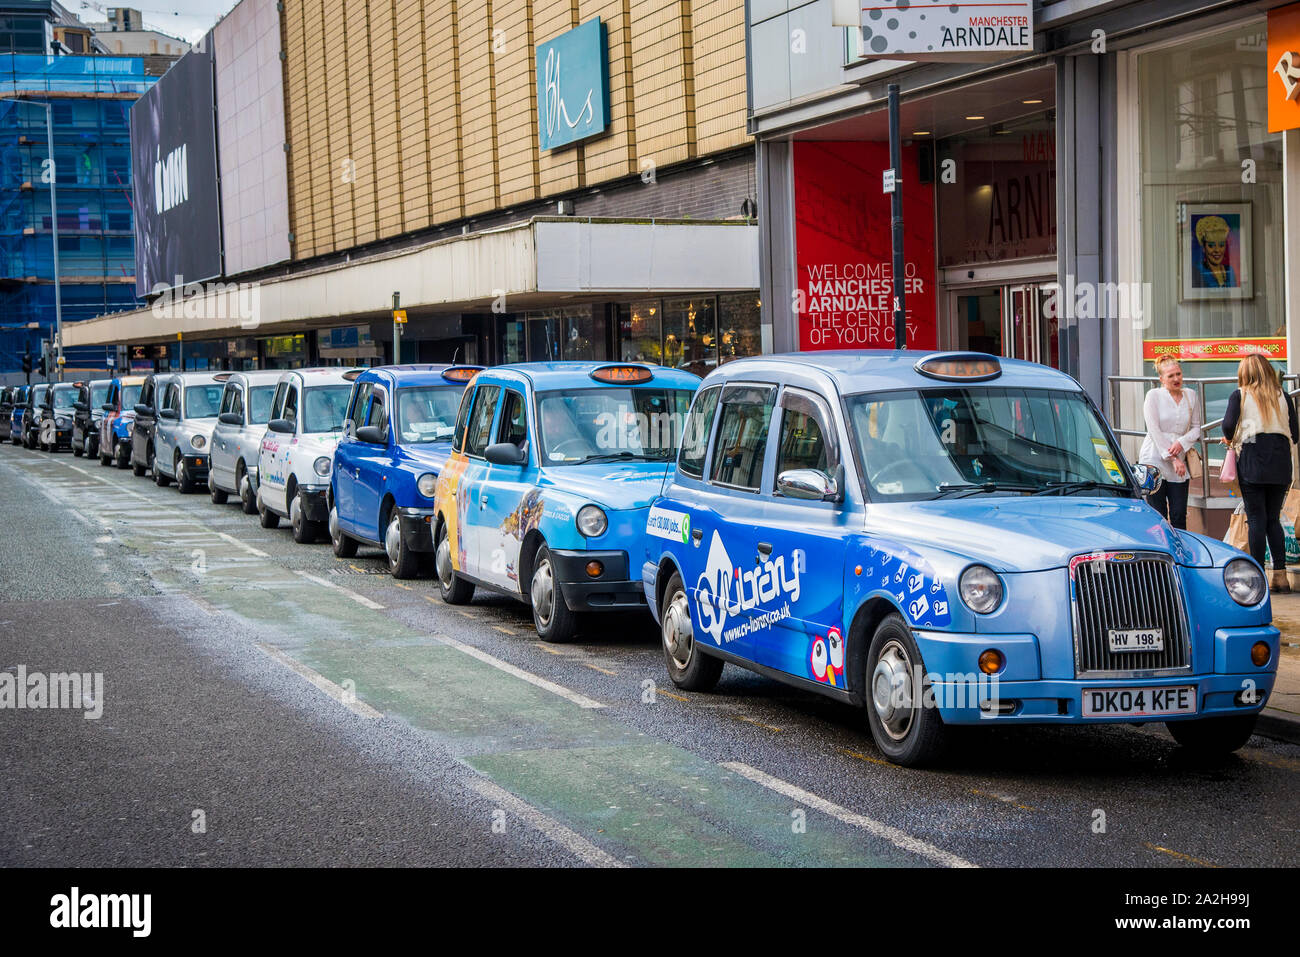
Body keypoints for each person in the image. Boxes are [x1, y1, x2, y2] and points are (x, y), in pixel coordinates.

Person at [1222, 354, 1299, 593]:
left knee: (1256, 519)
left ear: (1244, 373)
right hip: (1280, 462)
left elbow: (1227, 426)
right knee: (1273, 519)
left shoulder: (1240, 395)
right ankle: (1280, 577)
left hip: (1253, 460)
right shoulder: (1283, 396)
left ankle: (1259, 576)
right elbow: (1295, 434)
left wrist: (1232, 438)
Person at [1139, 355, 1201, 529]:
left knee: (1179, 514)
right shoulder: (1154, 395)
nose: (1176, 379)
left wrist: (1182, 442)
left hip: (1180, 457)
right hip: (1155, 457)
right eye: (1171, 376)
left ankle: (1180, 545)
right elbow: (1154, 429)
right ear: (1161, 379)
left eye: (1178, 374)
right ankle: (1159, 545)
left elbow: (1196, 427)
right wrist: (1173, 458)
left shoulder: (1190, 395)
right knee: (1157, 514)